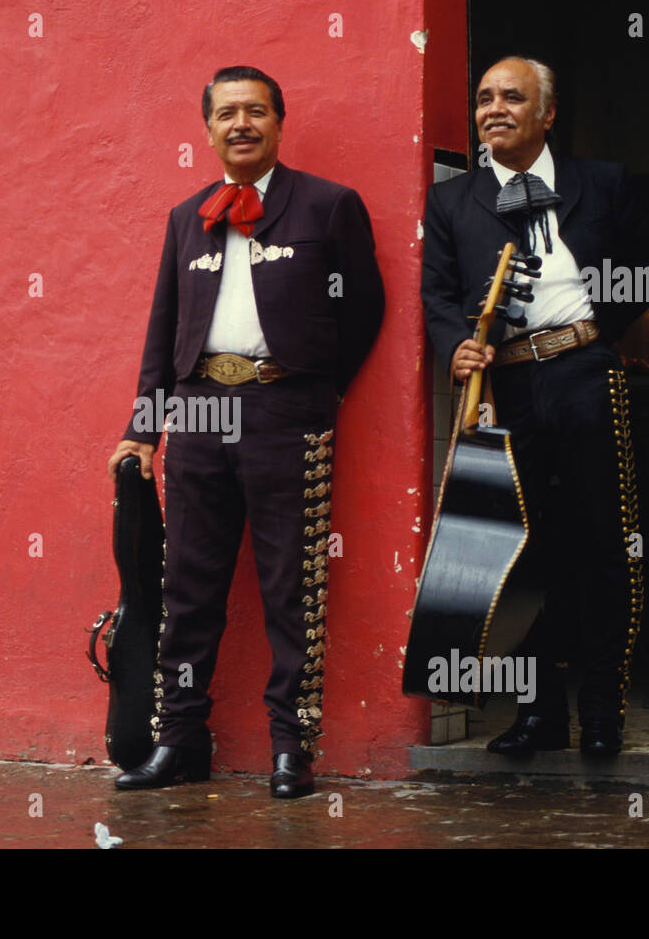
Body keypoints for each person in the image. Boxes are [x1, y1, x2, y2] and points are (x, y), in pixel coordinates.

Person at [106, 66, 385, 797]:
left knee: (292, 587)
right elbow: (163, 328)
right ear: (207, 130)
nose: (241, 124)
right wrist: (145, 426)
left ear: (279, 123)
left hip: (283, 412)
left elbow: (363, 312)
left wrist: (314, 388)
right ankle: (181, 743)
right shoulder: (185, 216)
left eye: (256, 111)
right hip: (198, 413)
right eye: (226, 113)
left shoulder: (328, 206)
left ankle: (292, 749)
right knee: (187, 588)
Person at [421, 56, 649, 756]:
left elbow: (641, 273)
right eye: (485, 98)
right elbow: (436, 295)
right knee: (521, 553)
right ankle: (539, 713)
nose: (494, 108)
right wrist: (458, 345)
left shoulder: (601, 183)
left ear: (547, 113)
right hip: (507, 388)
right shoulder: (454, 202)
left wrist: (597, 333)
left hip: (584, 374)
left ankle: (603, 709)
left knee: (605, 547)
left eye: (512, 97)